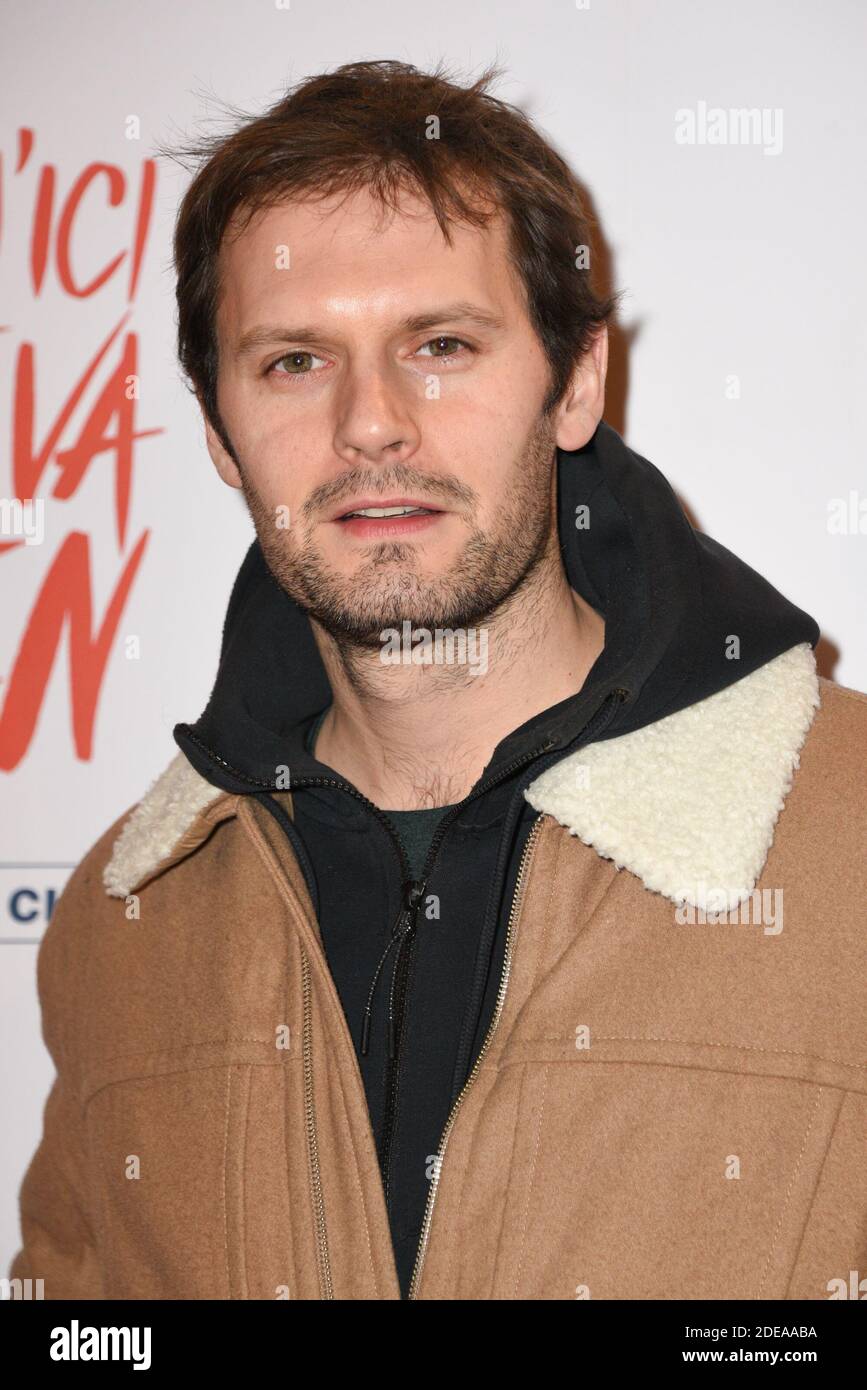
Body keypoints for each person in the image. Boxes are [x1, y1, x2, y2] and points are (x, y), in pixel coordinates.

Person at [10, 58, 866, 1302]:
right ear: (215, 429)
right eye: (295, 362)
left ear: (576, 382)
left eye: (442, 345)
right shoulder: (121, 920)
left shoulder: (852, 840)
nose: (371, 424)